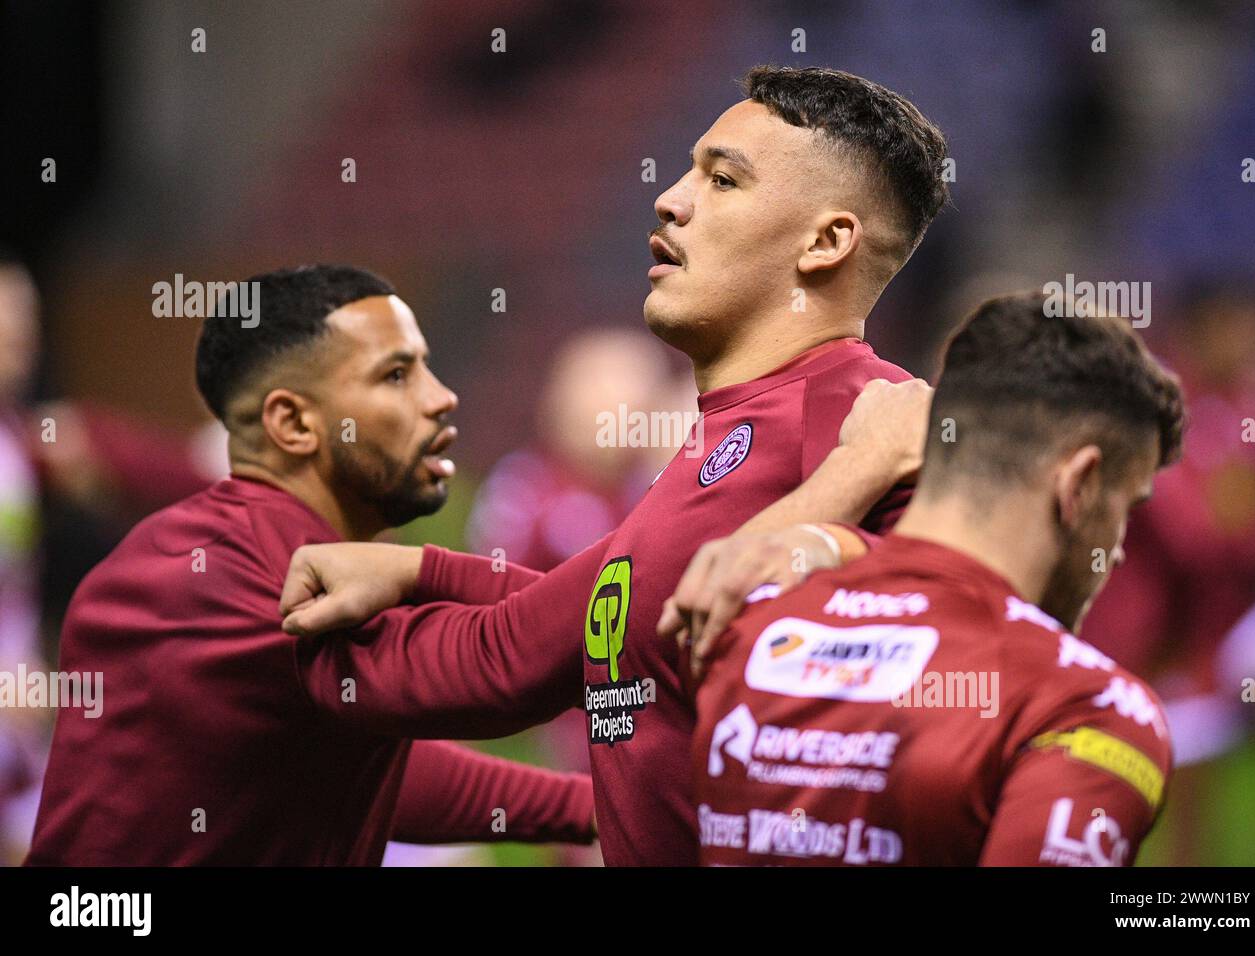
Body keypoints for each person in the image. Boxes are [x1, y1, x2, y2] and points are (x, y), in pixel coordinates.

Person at [278, 66, 948, 864]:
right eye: (690, 168)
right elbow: (520, 648)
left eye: (724, 179)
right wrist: (404, 575)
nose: (670, 199)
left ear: (826, 241)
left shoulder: (877, 429)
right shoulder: (718, 448)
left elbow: (960, 706)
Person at [26, 265, 595, 865]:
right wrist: (424, 570)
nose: (441, 398)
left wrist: (587, 811)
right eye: (397, 375)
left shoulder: (224, 550)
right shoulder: (253, 580)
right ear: (294, 424)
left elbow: (372, 770)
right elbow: (505, 663)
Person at [686, 292, 1185, 866]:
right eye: (1127, 507)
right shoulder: (1088, 709)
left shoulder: (740, 624)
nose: (1118, 552)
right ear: (1079, 485)